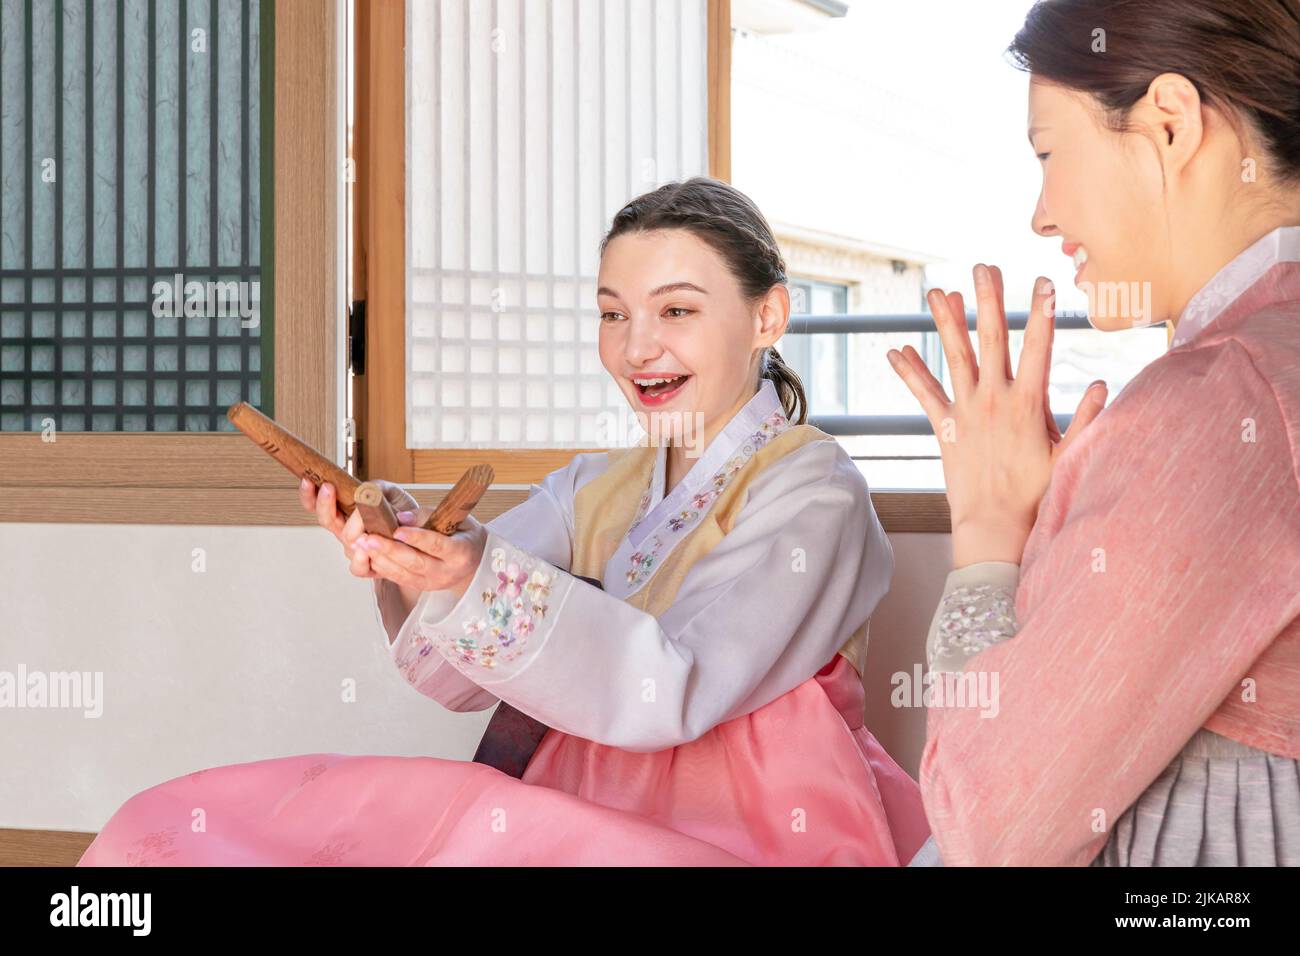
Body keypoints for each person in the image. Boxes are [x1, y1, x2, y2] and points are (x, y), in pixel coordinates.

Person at [78, 178, 929, 866]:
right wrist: (411, 549)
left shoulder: (816, 490)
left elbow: (676, 687)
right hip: (572, 799)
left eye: (676, 311)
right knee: (208, 827)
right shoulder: (590, 488)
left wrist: (473, 574)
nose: (636, 349)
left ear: (767, 317)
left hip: (760, 822)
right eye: (612, 313)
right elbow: (455, 674)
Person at [891, 0, 1300, 866]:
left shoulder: (1218, 400)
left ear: (1170, 122)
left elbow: (993, 829)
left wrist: (993, 539)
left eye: (1047, 153)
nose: (1041, 215)